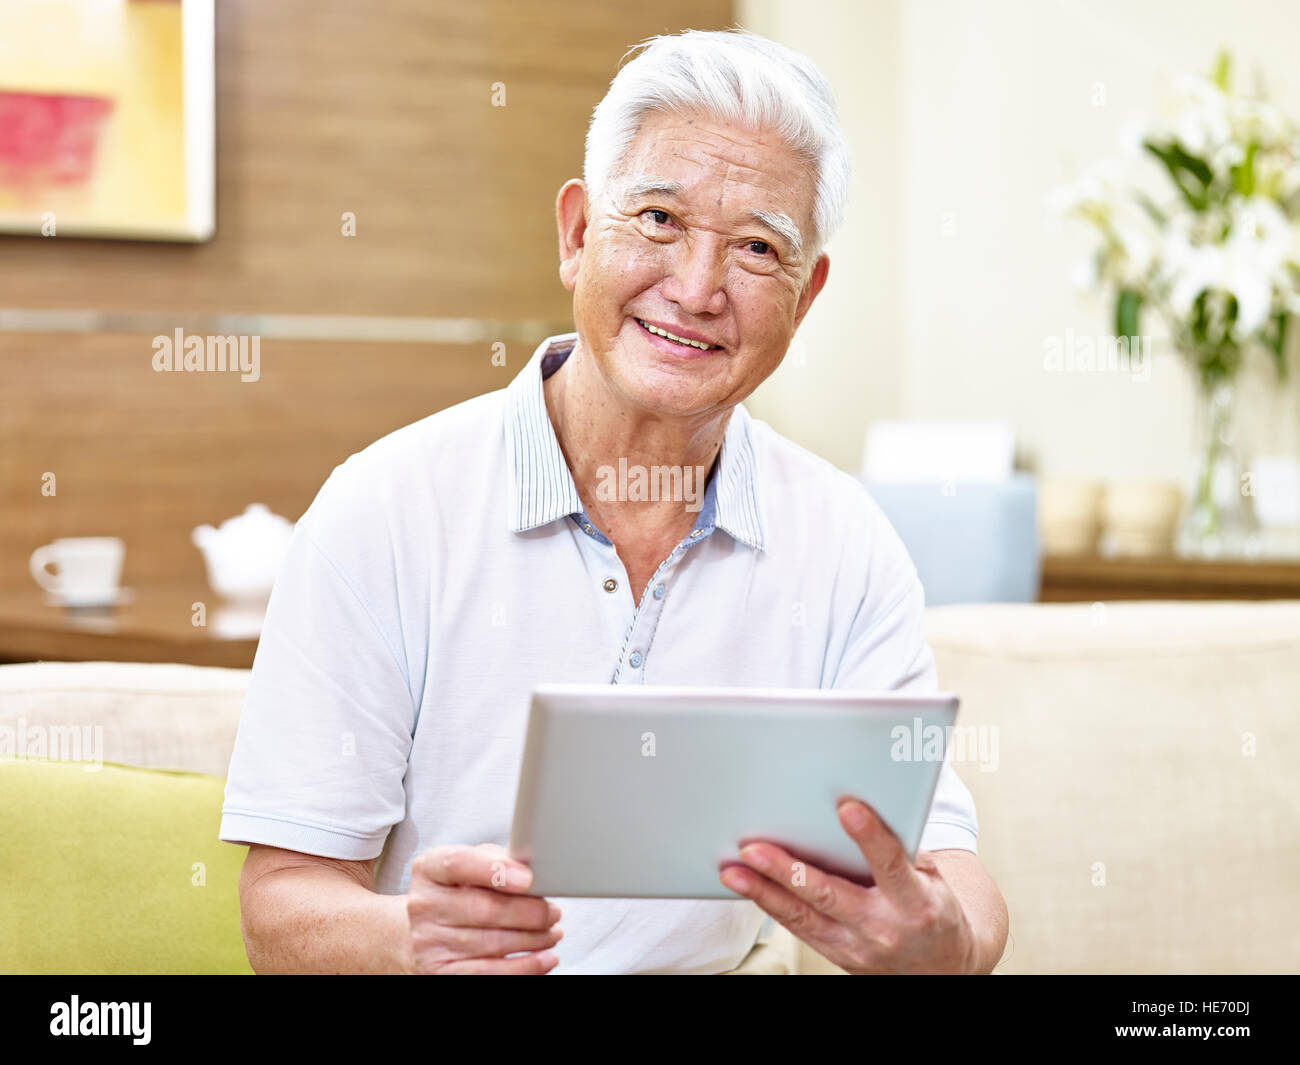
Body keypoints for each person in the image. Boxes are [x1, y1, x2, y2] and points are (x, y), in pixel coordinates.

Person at [220, 27, 1008, 975]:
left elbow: (955, 880)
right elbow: (279, 909)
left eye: (758, 248)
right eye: (660, 221)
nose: (697, 287)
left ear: (804, 300)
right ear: (580, 232)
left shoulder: (844, 542)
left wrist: (945, 947)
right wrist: (411, 939)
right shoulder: (380, 510)